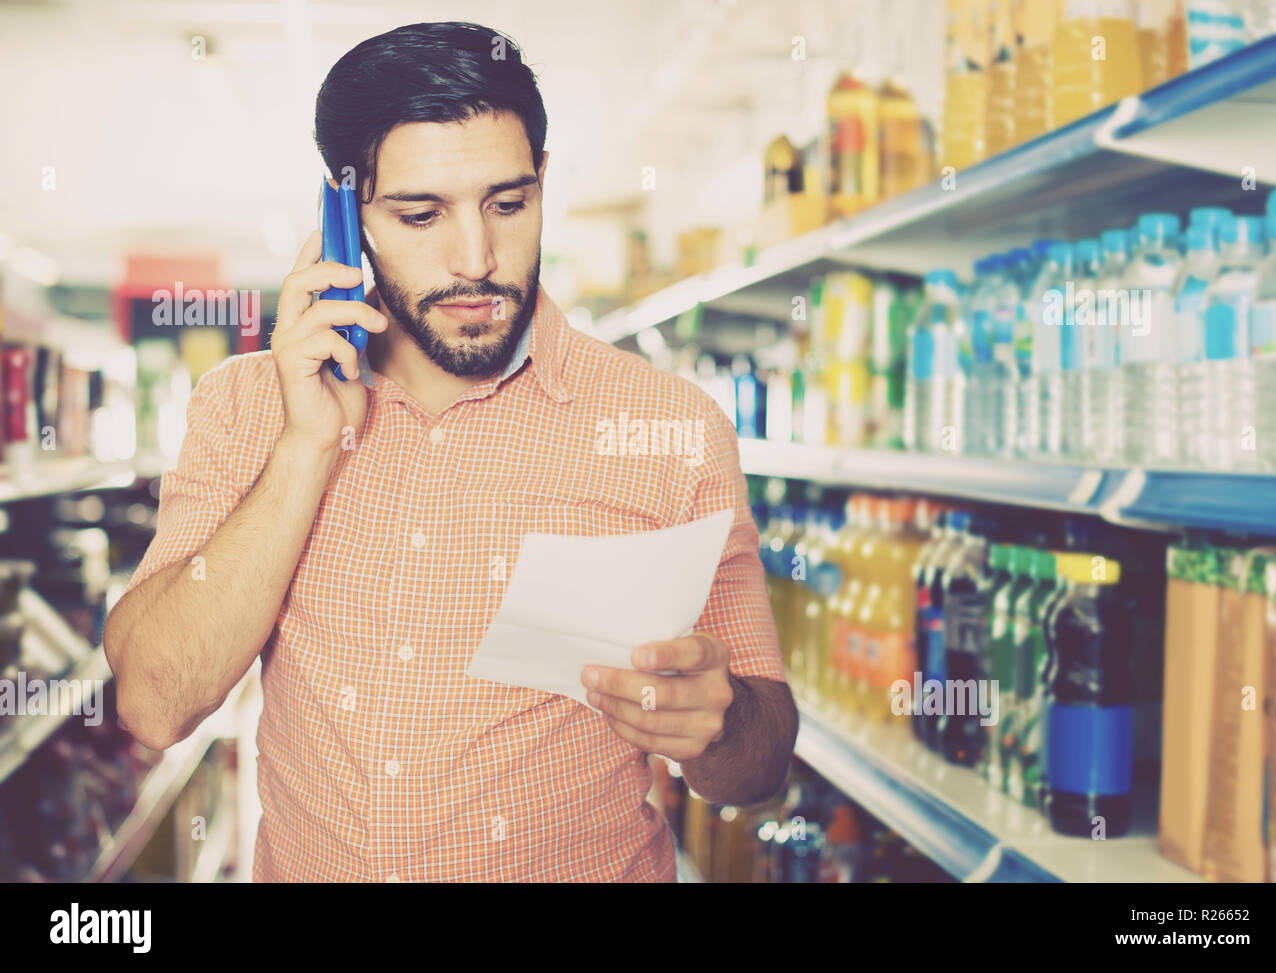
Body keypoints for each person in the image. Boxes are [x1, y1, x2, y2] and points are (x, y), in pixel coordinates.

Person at [104, 21, 796, 882]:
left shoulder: (672, 426)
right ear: (345, 214)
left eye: (507, 205)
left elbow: (762, 761)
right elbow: (153, 703)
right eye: (420, 214)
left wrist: (718, 725)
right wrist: (307, 445)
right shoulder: (245, 407)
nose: (476, 260)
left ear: (543, 181)